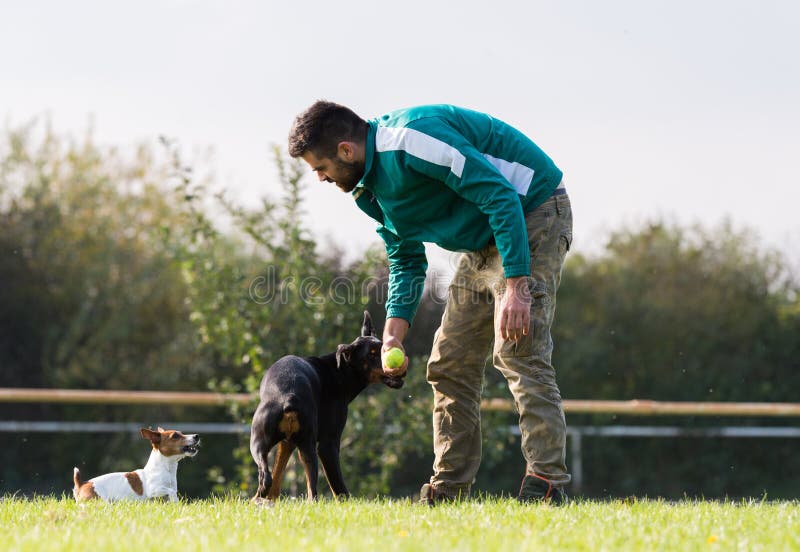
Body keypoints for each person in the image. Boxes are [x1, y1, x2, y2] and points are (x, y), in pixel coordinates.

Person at [288, 101, 573, 504]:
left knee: (518, 351)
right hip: (482, 239)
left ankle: (546, 483)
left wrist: (516, 286)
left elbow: (501, 195)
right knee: (448, 362)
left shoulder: (413, 141)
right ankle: (449, 488)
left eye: (320, 167)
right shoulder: (366, 189)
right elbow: (405, 259)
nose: (319, 177)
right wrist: (391, 338)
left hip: (533, 211)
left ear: (345, 151)